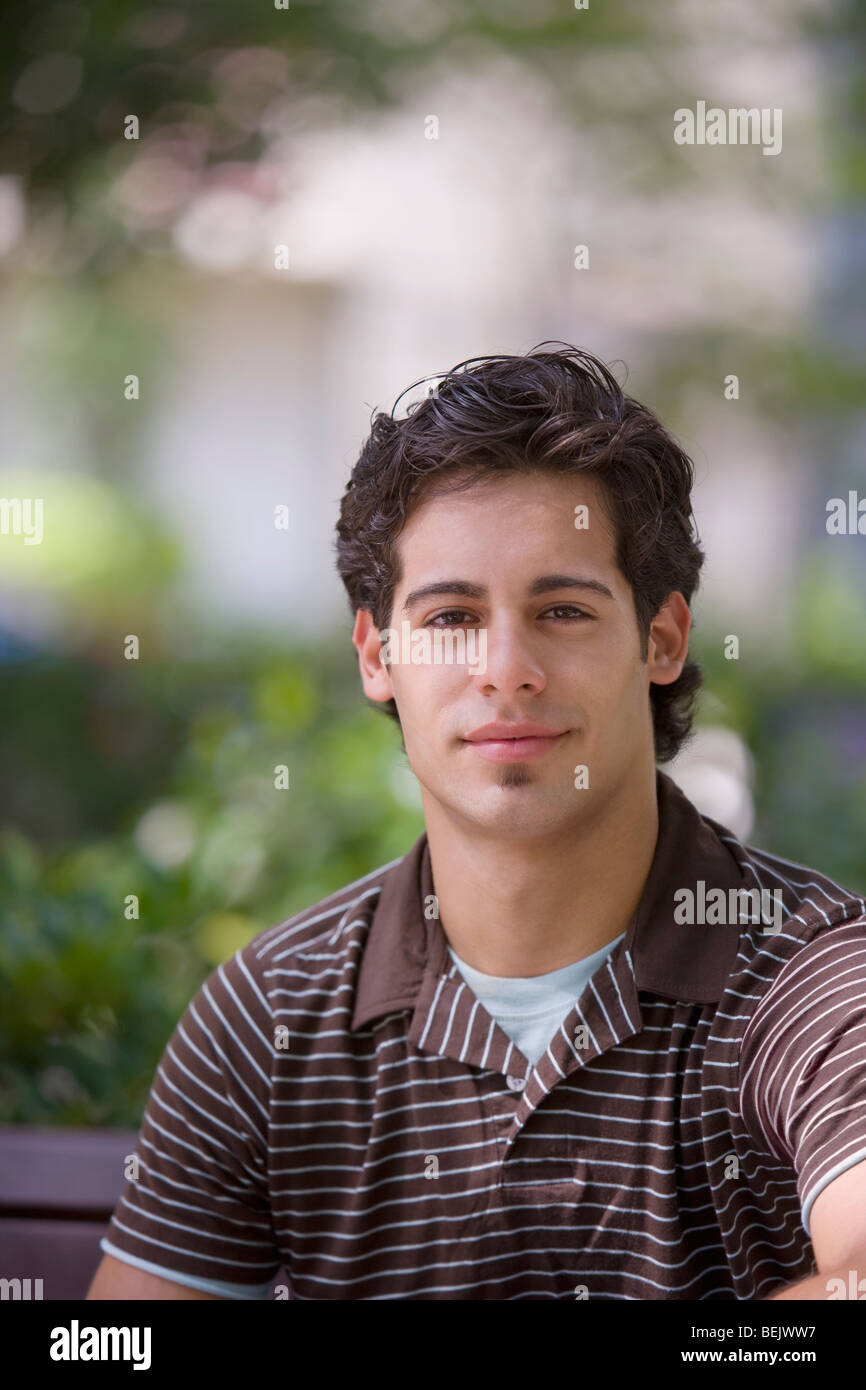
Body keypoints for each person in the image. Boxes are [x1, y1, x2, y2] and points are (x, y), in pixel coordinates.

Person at [88, 344, 866, 1301]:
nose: (506, 668)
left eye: (565, 611)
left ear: (660, 639)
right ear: (378, 656)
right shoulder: (272, 1013)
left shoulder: (813, 971)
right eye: (452, 615)